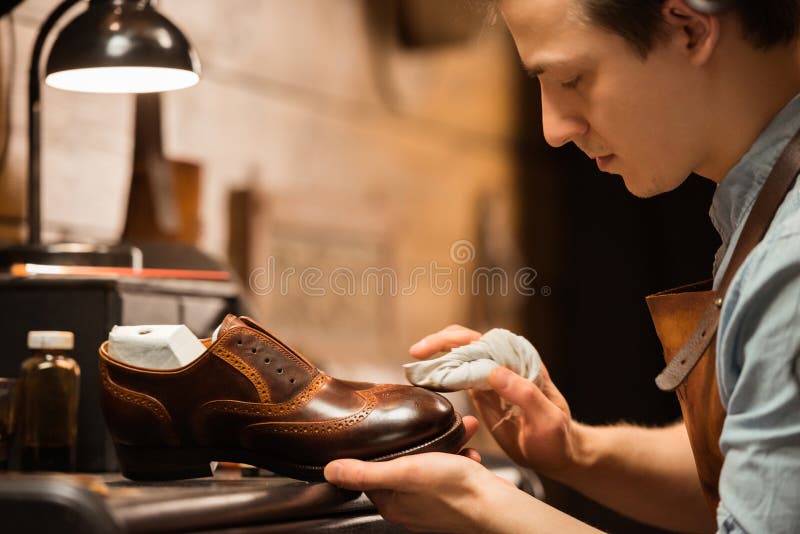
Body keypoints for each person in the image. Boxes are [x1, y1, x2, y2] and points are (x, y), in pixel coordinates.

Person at [323, 1, 800, 532]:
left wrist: (480, 507)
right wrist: (574, 451)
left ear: (688, 30)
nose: (554, 128)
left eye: (572, 77)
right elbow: (755, 481)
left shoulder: (790, 261)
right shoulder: (763, 210)